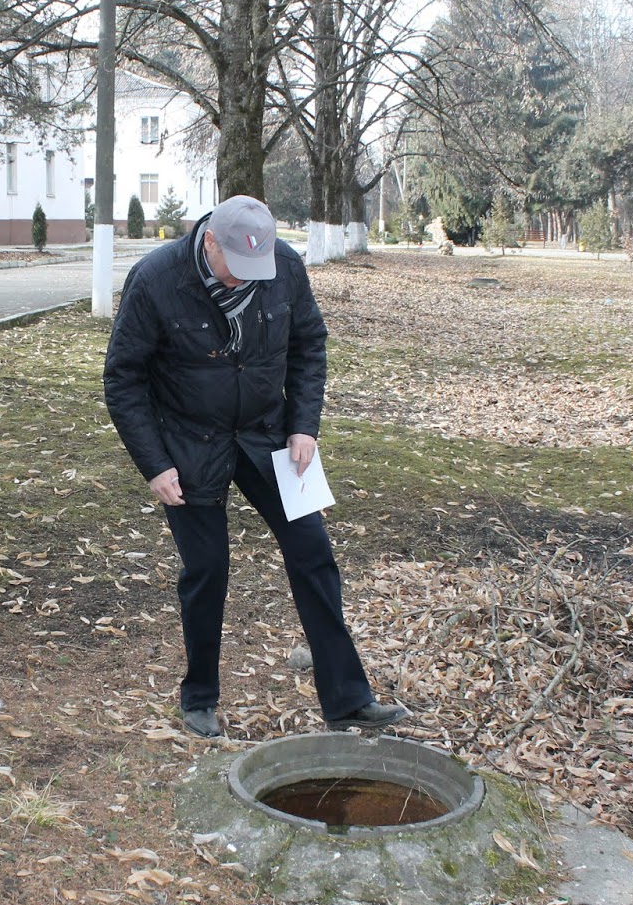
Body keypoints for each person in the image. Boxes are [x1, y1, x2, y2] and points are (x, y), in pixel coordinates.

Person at [103, 195, 408, 739]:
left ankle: (348, 699)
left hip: (271, 436)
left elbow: (309, 345)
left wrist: (304, 425)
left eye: (255, 269)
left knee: (314, 554)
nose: (246, 281)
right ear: (210, 241)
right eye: (235, 269)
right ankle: (199, 697)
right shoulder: (156, 278)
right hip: (189, 443)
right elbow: (122, 378)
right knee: (207, 569)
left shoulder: (284, 264)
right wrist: (154, 464)